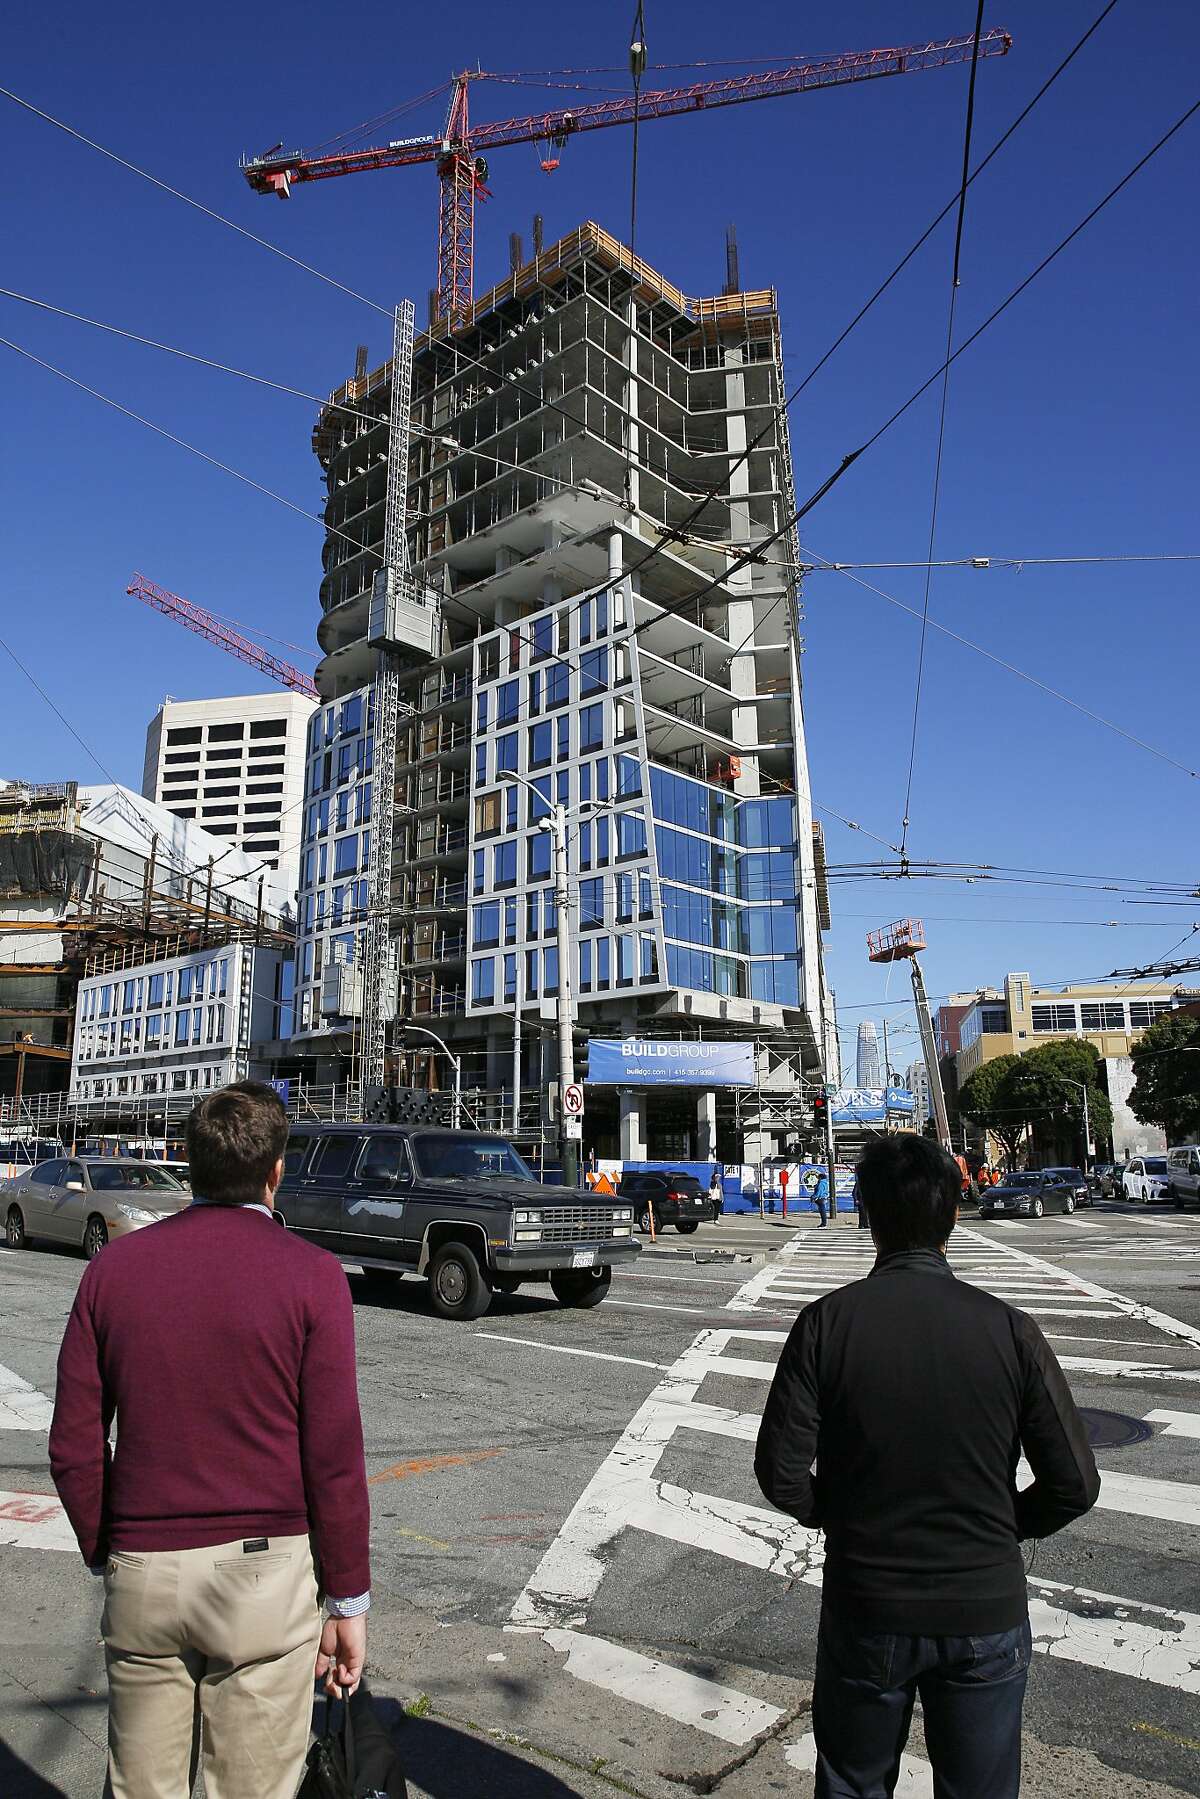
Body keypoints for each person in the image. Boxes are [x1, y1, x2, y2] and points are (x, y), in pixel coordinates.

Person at [49, 1081, 371, 1799]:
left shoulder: (113, 1270)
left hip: (146, 1567)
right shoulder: (314, 1276)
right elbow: (333, 1458)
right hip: (264, 1576)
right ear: (276, 1170)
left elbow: (73, 1443)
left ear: (190, 1166)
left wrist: (109, 1546)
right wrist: (348, 1599)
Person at [755, 1133, 1099, 1799]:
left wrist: (838, 1515)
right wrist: (1006, 1523)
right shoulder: (1011, 1330)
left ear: (868, 1215)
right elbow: (1076, 1483)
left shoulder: (825, 1324)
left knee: (853, 1784)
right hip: (984, 1604)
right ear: (954, 1214)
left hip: (868, 1600)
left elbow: (781, 1472)